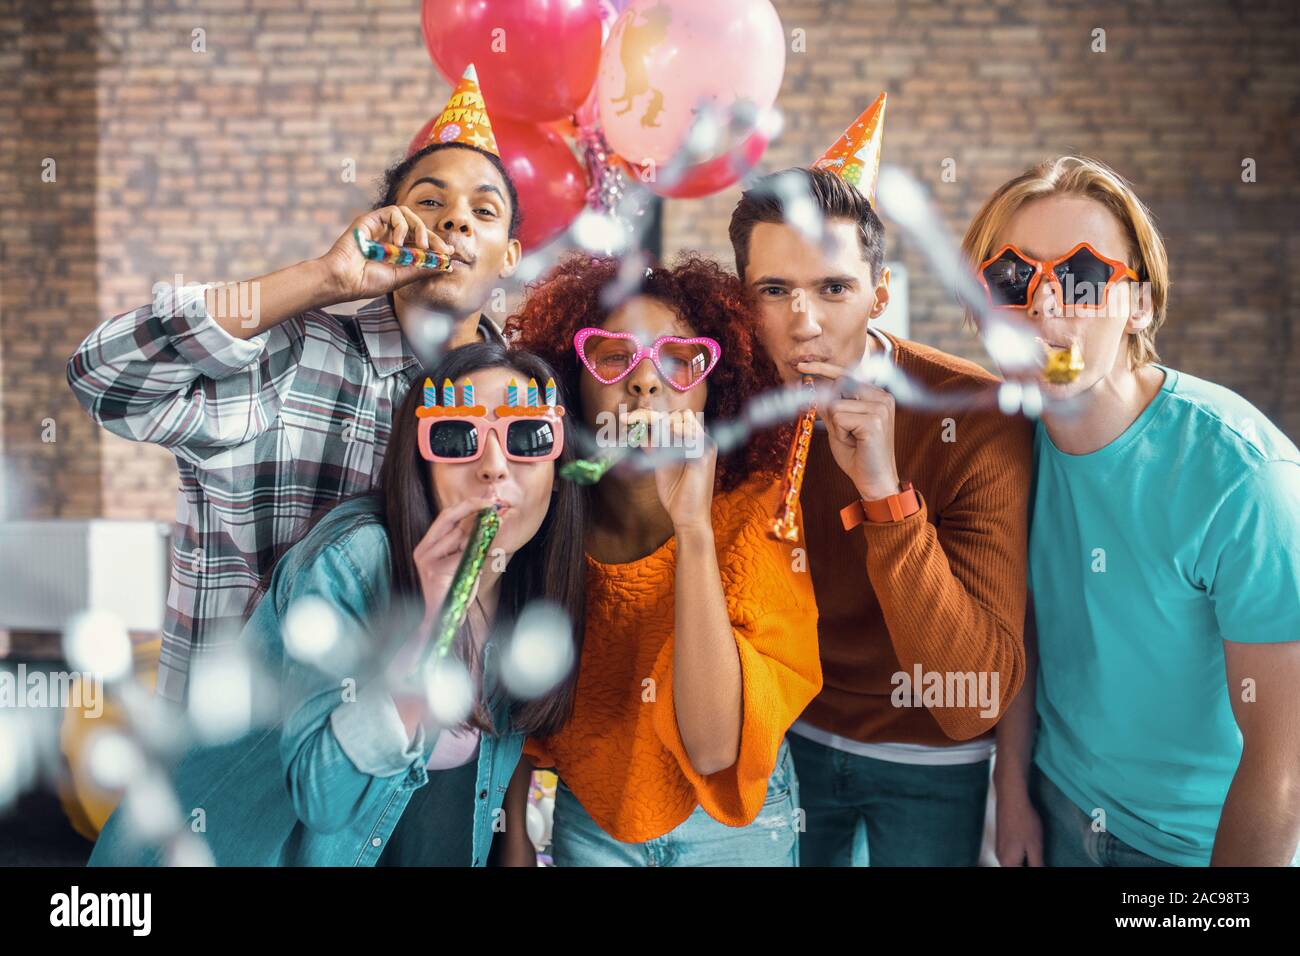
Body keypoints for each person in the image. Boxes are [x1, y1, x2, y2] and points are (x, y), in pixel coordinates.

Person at [65, 66, 522, 705]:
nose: (455, 222)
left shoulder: (528, 409)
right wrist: (327, 278)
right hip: (246, 764)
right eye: (429, 201)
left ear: (509, 255)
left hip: (427, 769)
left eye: (483, 210)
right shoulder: (295, 354)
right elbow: (104, 377)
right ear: (389, 225)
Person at [89, 343, 584, 867]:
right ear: (421, 462)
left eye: (529, 436)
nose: (493, 466)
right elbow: (325, 799)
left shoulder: (532, 588)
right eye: (455, 437)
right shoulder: (356, 558)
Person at [728, 95, 1033, 866]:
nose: (803, 322)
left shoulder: (977, 416)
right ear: (743, 299)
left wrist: (884, 496)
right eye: (775, 291)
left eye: (833, 289)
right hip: (781, 736)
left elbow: (974, 701)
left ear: (881, 293)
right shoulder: (726, 406)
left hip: (928, 754)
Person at [976, 156, 1300, 867]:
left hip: (1195, 846)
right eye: (1011, 279)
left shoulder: (1244, 477)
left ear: (1141, 305)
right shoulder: (1002, 444)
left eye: (1083, 280)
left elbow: (1286, 764)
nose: (1046, 309)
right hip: (1058, 804)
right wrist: (1013, 793)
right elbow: (1022, 625)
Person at [505, 254, 822, 866]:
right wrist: (514, 837)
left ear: (711, 390)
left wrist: (693, 529)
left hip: (732, 826)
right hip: (592, 820)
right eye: (614, 355)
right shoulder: (546, 505)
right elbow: (511, 695)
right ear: (574, 381)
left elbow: (711, 750)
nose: (645, 380)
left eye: (678, 361)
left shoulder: (760, 509)